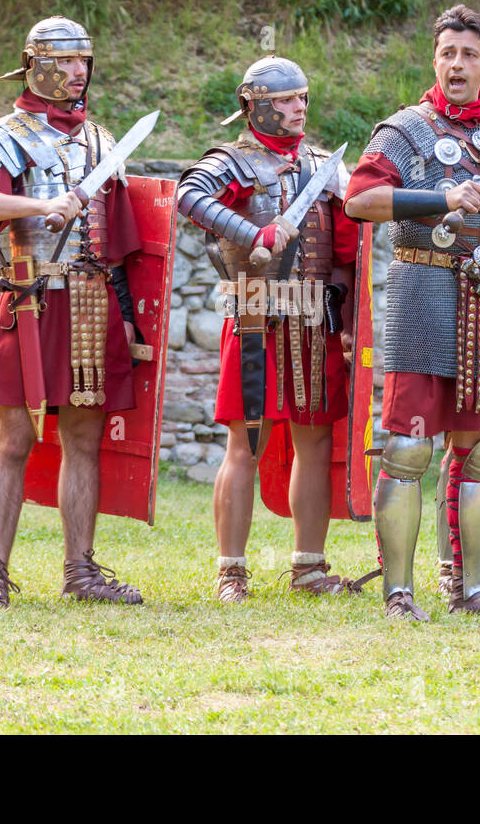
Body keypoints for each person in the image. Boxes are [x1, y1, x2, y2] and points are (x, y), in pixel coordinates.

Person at [344, 5, 480, 621]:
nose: (456, 65)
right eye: (447, 54)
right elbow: (361, 200)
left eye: (469, 55)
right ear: (435, 59)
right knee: (406, 450)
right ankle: (399, 594)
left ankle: (473, 589)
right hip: (423, 297)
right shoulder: (406, 131)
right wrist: (442, 196)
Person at [0, 16, 145, 607]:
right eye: (65, 61)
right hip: (32, 299)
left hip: (92, 301)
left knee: (84, 438)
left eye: (83, 61)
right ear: (34, 64)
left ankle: (80, 572)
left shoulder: (102, 140)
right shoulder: (4, 134)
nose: (78, 72)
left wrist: (131, 312)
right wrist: (40, 202)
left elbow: (118, 237)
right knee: (14, 435)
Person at [177, 56, 362, 602]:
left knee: (315, 439)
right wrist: (253, 233)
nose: (298, 108)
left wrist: (350, 324)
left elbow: (352, 251)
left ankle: (308, 567)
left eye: (302, 97)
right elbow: (190, 196)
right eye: (285, 100)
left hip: (315, 318)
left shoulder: (327, 166)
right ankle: (231, 572)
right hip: (256, 313)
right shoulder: (232, 161)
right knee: (246, 444)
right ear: (254, 105)